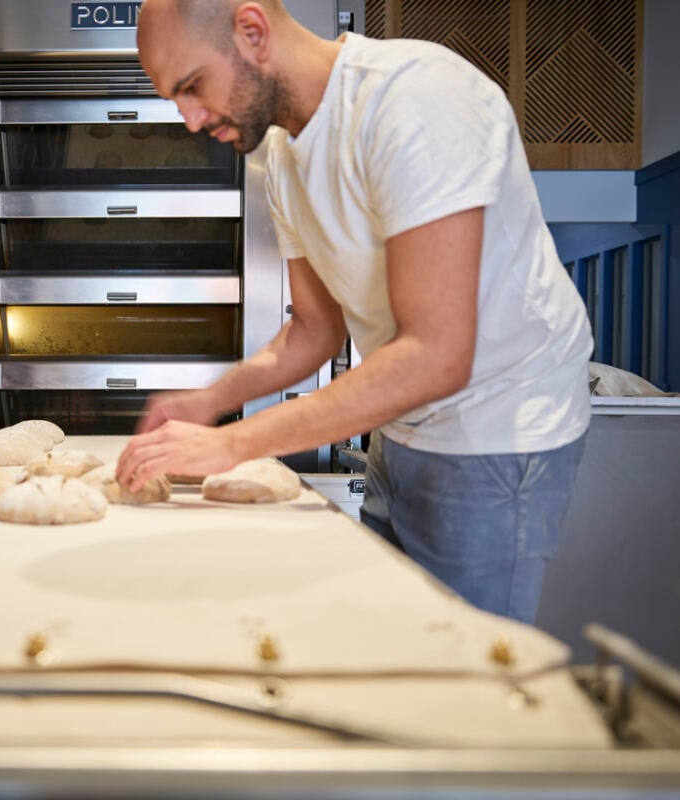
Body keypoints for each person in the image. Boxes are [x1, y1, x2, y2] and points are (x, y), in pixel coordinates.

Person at [116, 0, 593, 623]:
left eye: (192, 87)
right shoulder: (277, 155)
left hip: (498, 432)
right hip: (400, 426)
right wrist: (209, 401)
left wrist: (229, 443)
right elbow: (315, 327)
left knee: (463, 676)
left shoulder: (415, 101)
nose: (190, 120)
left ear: (252, 32)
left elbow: (437, 356)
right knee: (394, 639)